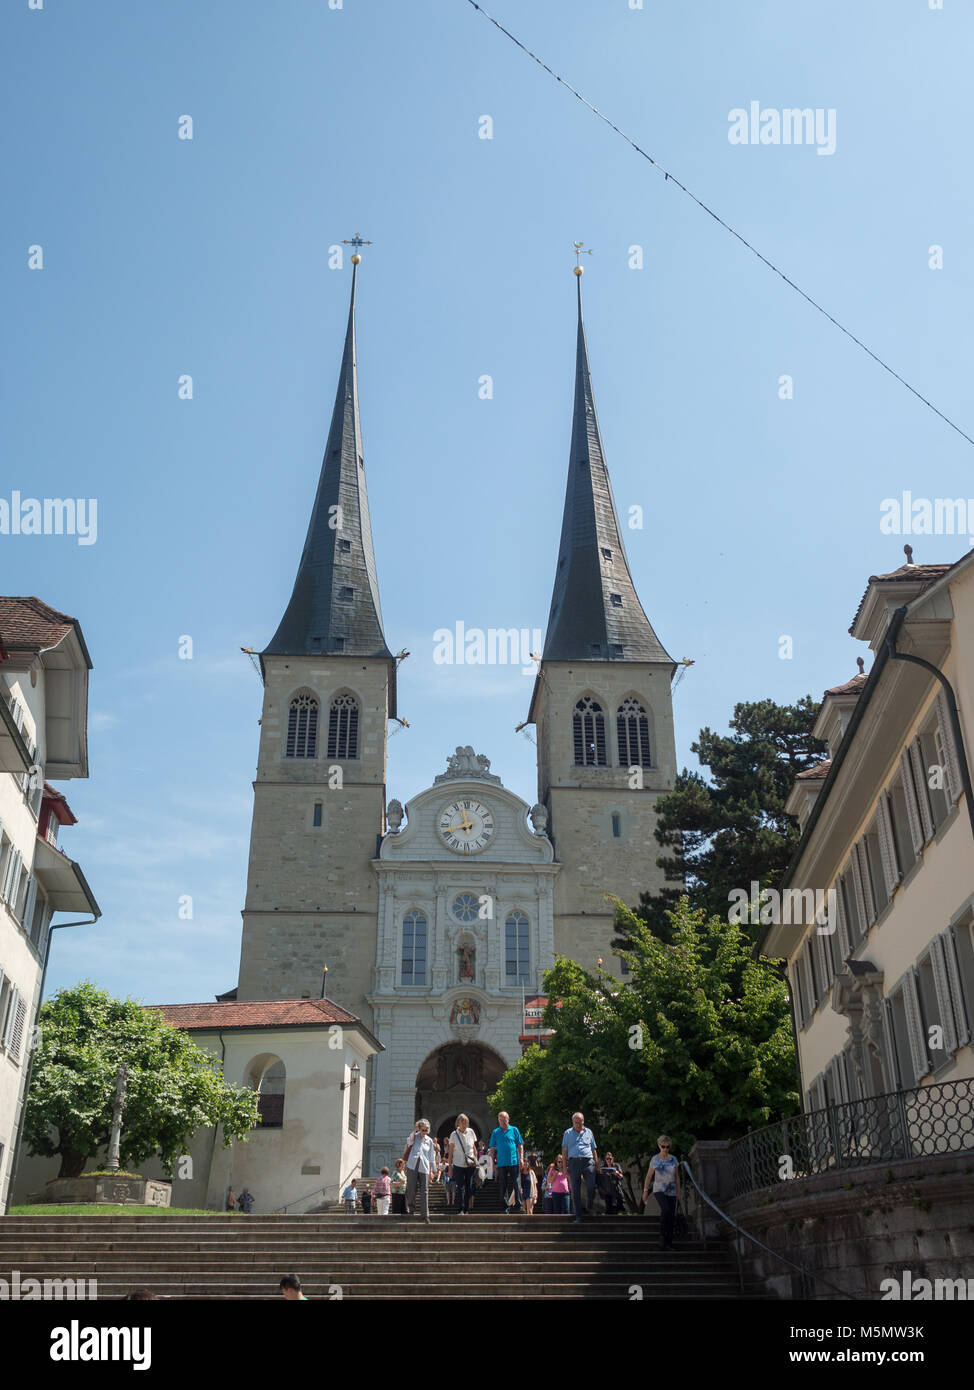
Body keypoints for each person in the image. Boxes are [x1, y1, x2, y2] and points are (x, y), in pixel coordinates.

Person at [643, 1135, 682, 1251]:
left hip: (672, 1191)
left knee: (671, 1216)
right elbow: (649, 1176)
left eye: (667, 1147)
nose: (665, 1149)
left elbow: (677, 1177)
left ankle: (669, 1242)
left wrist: (679, 1191)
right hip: (659, 1190)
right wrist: (645, 1191)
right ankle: (662, 1237)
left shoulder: (673, 1159)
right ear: (659, 1146)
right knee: (666, 1210)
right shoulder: (655, 1159)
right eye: (663, 1146)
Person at [561, 1112, 599, 1222]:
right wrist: (564, 1167)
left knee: (591, 1186)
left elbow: (593, 1149)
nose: (578, 1124)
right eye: (576, 1122)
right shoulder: (567, 1133)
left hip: (588, 1162)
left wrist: (597, 1164)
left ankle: (589, 1204)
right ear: (573, 1122)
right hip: (574, 1162)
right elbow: (564, 1151)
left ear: (583, 1121)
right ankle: (578, 1216)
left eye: (580, 1122)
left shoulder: (589, 1132)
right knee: (575, 1191)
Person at [488, 1111, 524, 1213]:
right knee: (503, 1185)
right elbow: (492, 1149)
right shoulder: (495, 1132)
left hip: (514, 1162)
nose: (502, 1122)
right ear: (498, 1121)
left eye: (504, 1120)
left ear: (508, 1119)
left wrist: (521, 1158)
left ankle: (519, 1206)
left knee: (517, 1184)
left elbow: (520, 1145)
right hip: (501, 1163)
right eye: (500, 1120)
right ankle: (504, 1207)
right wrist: (492, 1163)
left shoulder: (514, 1130)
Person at [404, 1119, 436, 1223]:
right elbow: (409, 1142)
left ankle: (425, 1215)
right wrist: (415, 1130)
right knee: (411, 1189)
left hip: (424, 1167)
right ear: (419, 1129)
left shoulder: (429, 1141)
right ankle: (411, 1208)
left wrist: (432, 1171)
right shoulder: (414, 1136)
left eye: (426, 1130)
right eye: (423, 1130)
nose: (424, 1132)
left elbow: (431, 1157)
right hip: (412, 1165)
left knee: (425, 1191)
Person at [448, 1113, 478, 1216]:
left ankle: (466, 1208)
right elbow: (451, 1152)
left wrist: (476, 1160)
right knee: (460, 1187)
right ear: (458, 1123)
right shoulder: (453, 1135)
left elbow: (474, 1148)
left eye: (466, 1123)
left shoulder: (471, 1132)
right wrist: (450, 1167)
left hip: (470, 1164)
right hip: (458, 1164)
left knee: (469, 1187)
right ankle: (460, 1209)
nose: (465, 1125)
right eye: (462, 1123)